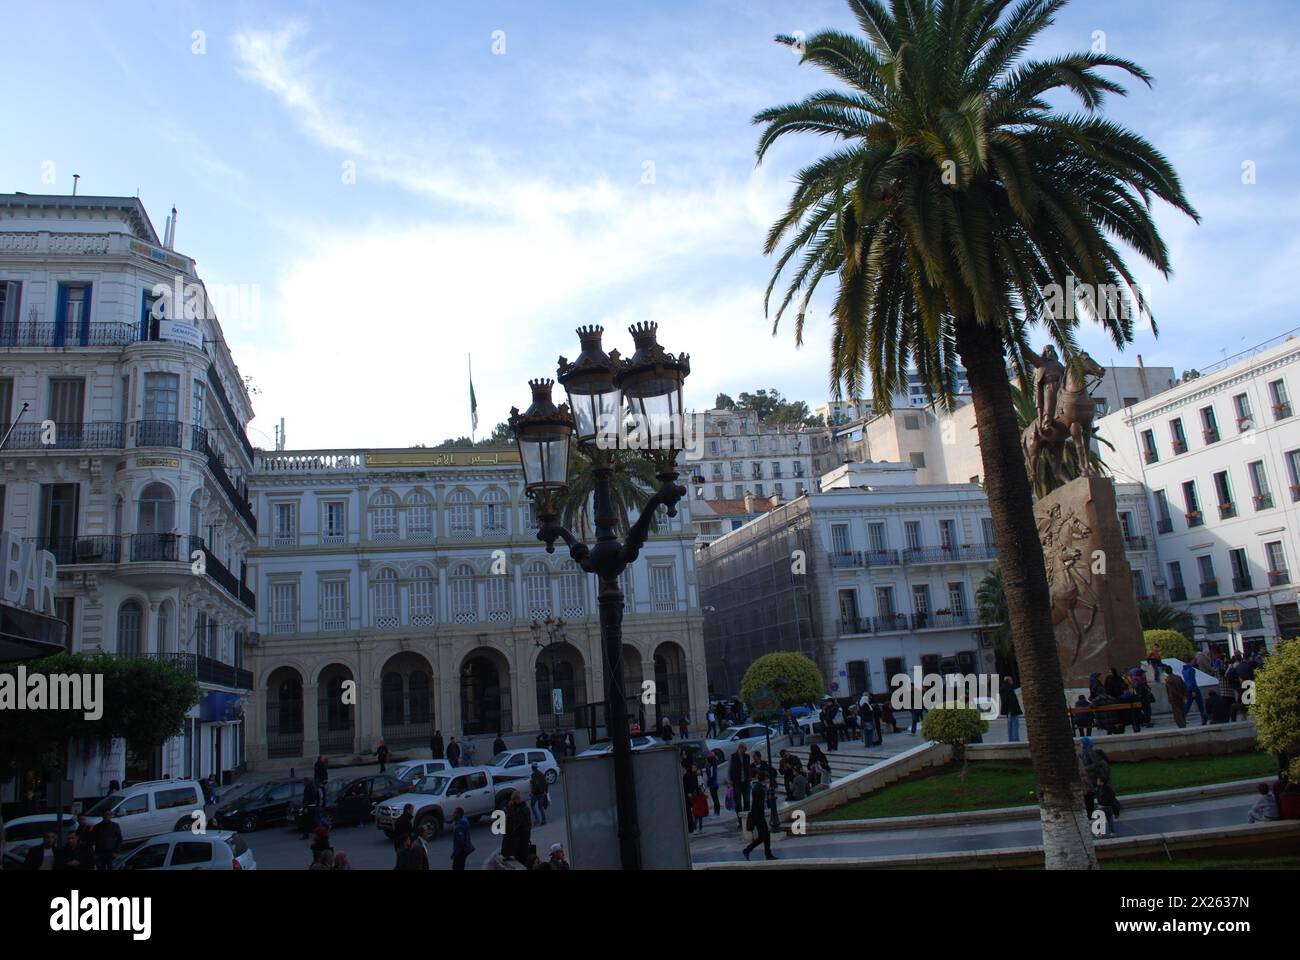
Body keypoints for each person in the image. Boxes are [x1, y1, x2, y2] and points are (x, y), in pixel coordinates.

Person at [1024, 342, 1066, 431]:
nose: (1050, 353)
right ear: (1045, 353)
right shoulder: (1041, 363)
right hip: (1049, 387)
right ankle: (1046, 423)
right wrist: (1021, 342)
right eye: (1048, 351)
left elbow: (1066, 373)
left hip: (1061, 386)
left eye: (1052, 351)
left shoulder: (1058, 364)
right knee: (1049, 405)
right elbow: (1030, 354)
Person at [741, 771, 777, 861]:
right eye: (767, 778)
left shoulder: (758, 787)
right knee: (763, 836)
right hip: (758, 816)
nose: (768, 780)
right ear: (764, 778)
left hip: (758, 815)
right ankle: (748, 850)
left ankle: (767, 854)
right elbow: (761, 804)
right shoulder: (759, 789)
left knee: (766, 835)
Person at [502, 790, 532, 865]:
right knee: (521, 852)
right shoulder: (516, 808)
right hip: (520, 834)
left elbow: (521, 822)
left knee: (521, 853)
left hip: (520, 834)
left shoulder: (520, 808)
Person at [728, 744, 751, 821]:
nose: (744, 751)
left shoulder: (747, 756)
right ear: (740, 748)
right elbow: (729, 769)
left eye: (745, 750)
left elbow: (748, 768)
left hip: (746, 782)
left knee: (747, 801)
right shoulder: (733, 756)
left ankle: (746, 818)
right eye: (744, 749)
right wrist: (730, 781)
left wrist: (749, 777)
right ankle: (740, 819)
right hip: (737, 782)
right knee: (738, 802)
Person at [1001, 677, 1022, 742]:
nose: (1012, 681)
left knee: (1010, 726)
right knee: (1015, 725)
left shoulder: (1003, 689)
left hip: (1008, 711)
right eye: (1011, 680)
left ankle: (1011, 740)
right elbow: (1011, 701)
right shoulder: (1009, 690)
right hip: (1012, 710)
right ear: (1009, 681)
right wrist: (1013, 710)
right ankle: (1016, 740)